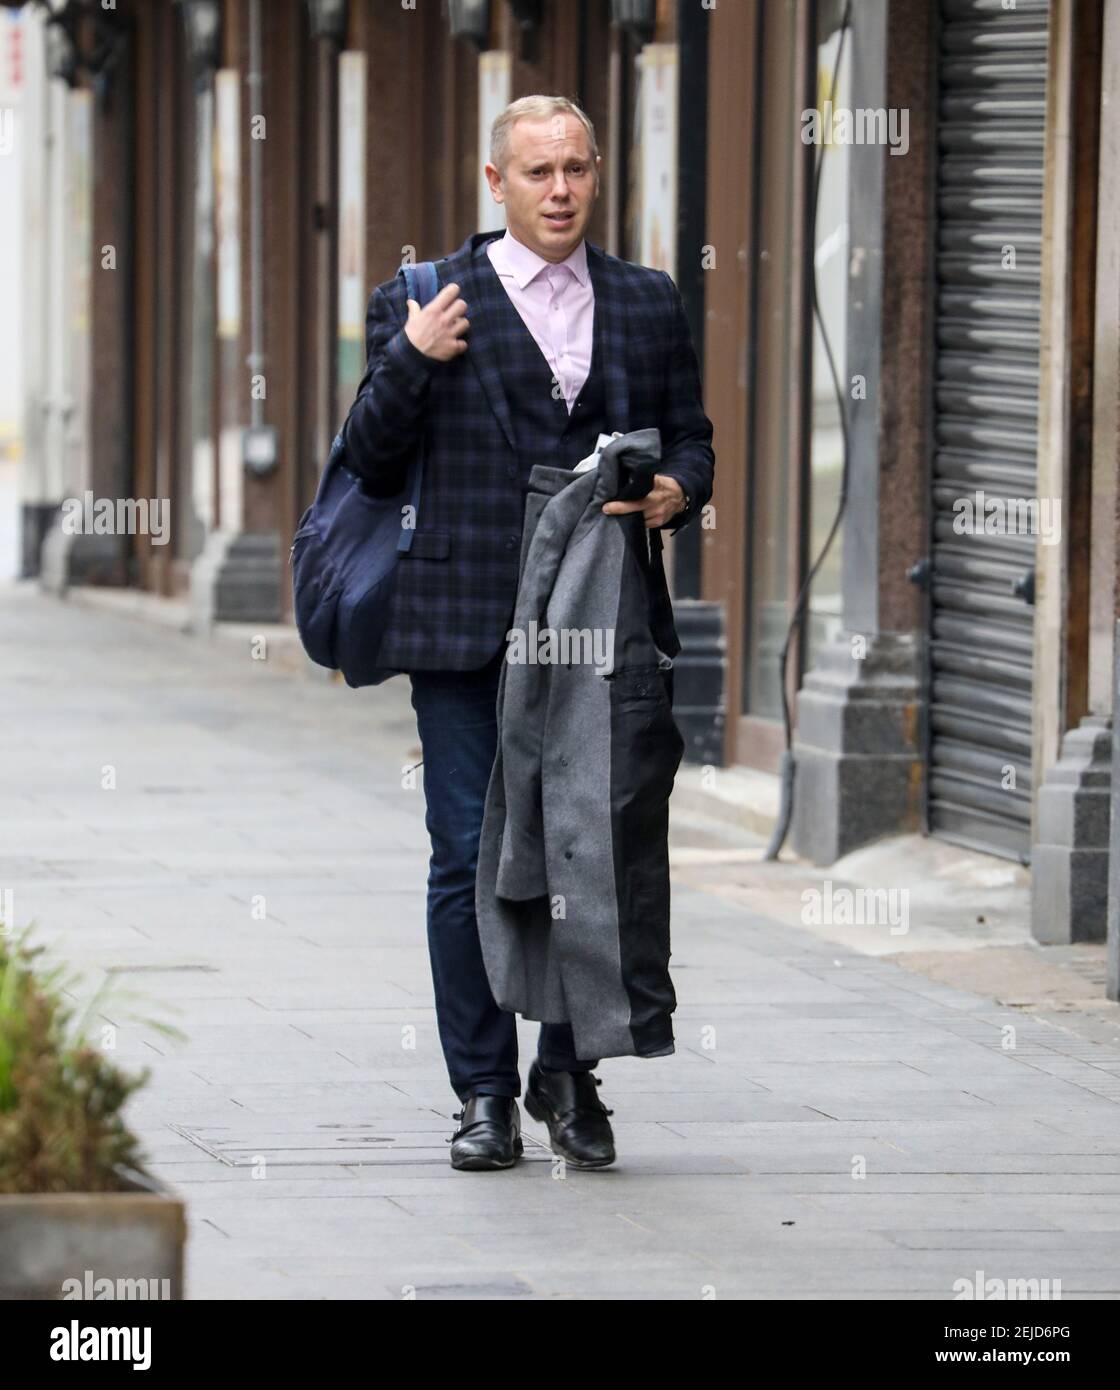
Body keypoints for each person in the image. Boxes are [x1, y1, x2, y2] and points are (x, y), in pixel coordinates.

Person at [342, 94, 714, 1171]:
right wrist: (411, 356)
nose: (560, 191)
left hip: (598, 626)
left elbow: (691, 437)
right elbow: (366, 459)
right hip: (462, 627)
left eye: (577, 170)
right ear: (494, 182)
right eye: (538, 172)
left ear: (597, 175)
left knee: (581, 850)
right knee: (468, 854)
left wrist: (674, 494)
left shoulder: (645, 304)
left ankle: (569, 1068)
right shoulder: (422, 297)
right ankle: (483, 1091)